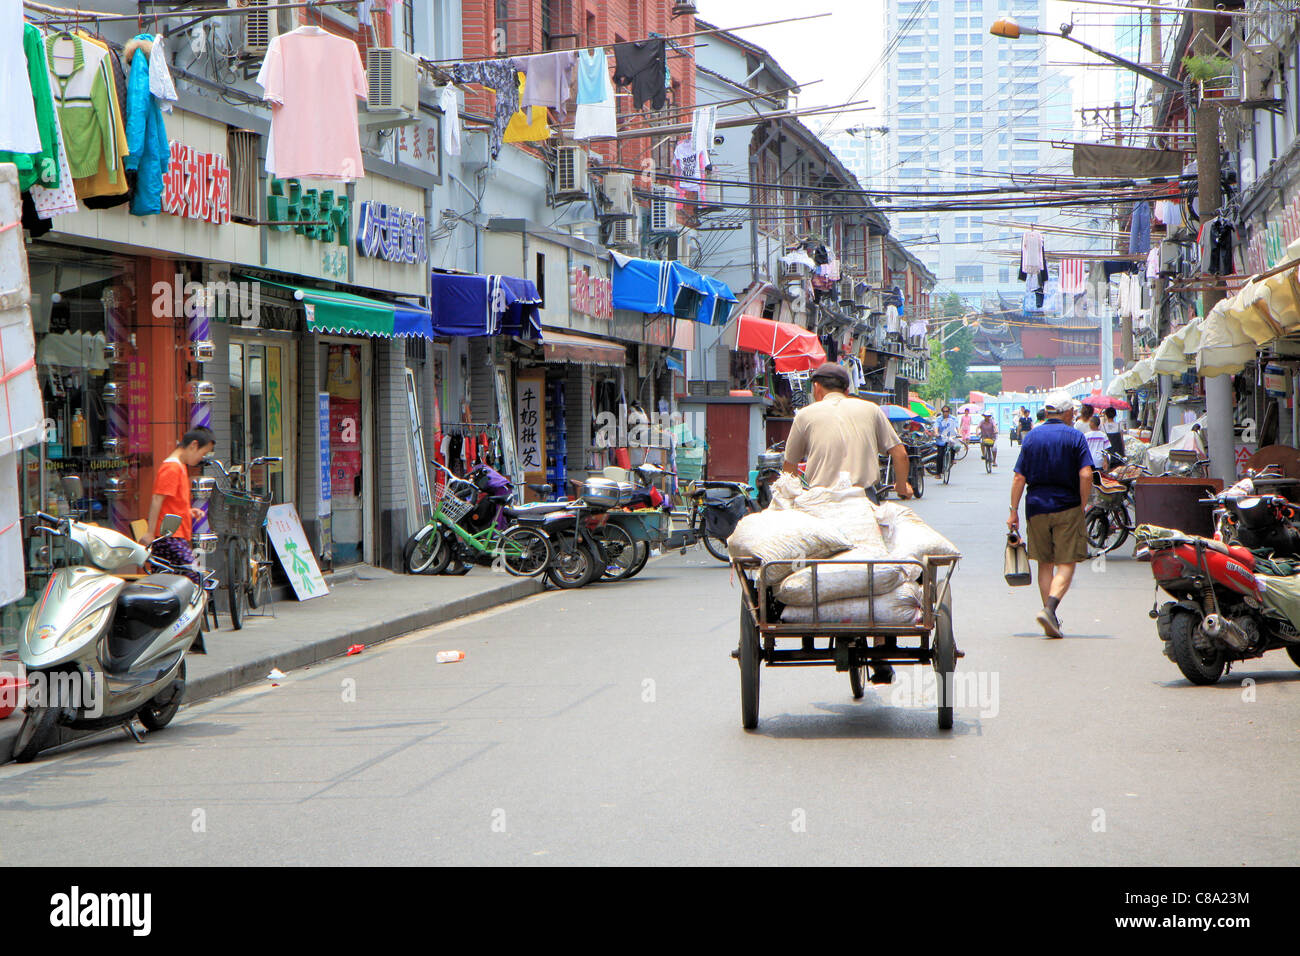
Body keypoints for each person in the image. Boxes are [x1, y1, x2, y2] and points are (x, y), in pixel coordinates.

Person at [1007, 394, 1093, 639]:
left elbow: (1018, 478)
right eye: (1072, 412)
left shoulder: (1032, 436)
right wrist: (1082, 504)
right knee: (1066, 564)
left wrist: (1013, 511)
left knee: (1045, 563)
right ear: (1066, 413)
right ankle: (1050, 609)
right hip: (1067, 507)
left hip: (1036, 508)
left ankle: (1051, 617)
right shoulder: (1075, 436)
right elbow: (1086, 475)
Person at [783, 362, 912, 503]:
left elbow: (790, 466)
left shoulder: (804, 415)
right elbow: (901, 455)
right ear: (846, 391)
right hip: (863, 500)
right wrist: (901, 486)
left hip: (821, 502)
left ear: (816, 387)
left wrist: (794, 498)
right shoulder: (871, 409)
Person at [140, 427, 215, 623]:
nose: (201, 458)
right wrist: (149, 533)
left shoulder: (178, 467)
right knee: (195, 579)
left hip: (173, 535)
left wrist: (187, 511)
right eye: (203, 453)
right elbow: (157, 499)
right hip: (169, 537)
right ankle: (185, 624)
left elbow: (167, 503)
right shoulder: (172, 467)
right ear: (193, 445)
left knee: (172, 583)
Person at [935, 405, 960, 474]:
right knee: (939, 455)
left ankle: (952, 459)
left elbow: (957, 427)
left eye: (946, 411)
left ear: (949, 412)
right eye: (943, 411)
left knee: (954, 446)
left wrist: (958, 433)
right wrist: (936, 433)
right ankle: (938, 473)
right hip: (941, 439)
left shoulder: (953, 419)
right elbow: (936, 427)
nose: (945, 413)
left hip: (950, 437)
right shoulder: (938, 419)